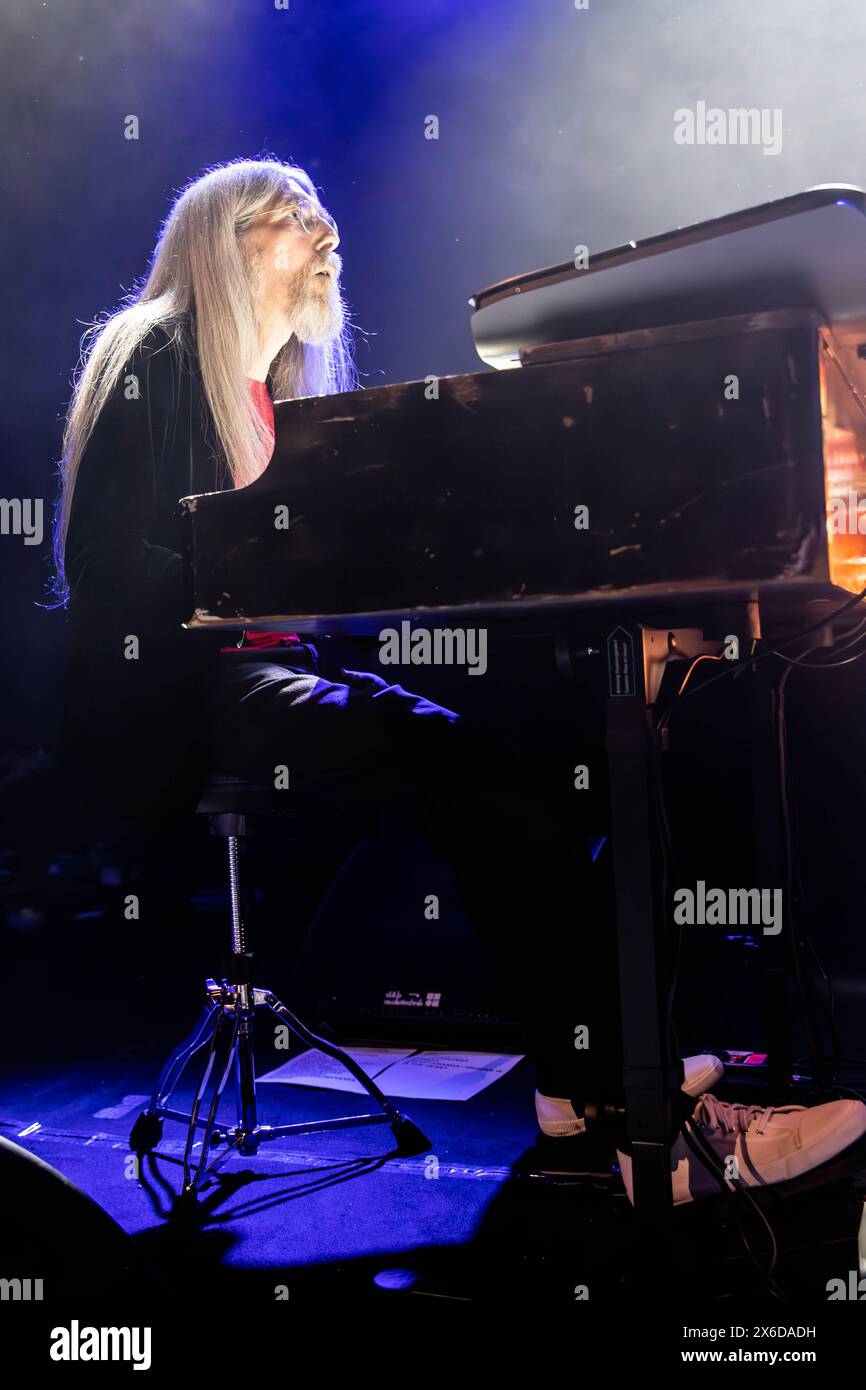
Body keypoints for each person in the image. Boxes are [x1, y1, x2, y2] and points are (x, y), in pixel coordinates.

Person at [52, 158, 866, 1205]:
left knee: (531, 752)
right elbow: (119, 575)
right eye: (289, 217)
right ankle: (644, 1122)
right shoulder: (157, 354)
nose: (322, 231)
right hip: (168, 706)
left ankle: (591, 1085)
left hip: (252, 680)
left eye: (322, 213)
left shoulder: (273, 392)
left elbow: (323, 597)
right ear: (223, 239)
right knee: (461, 763)